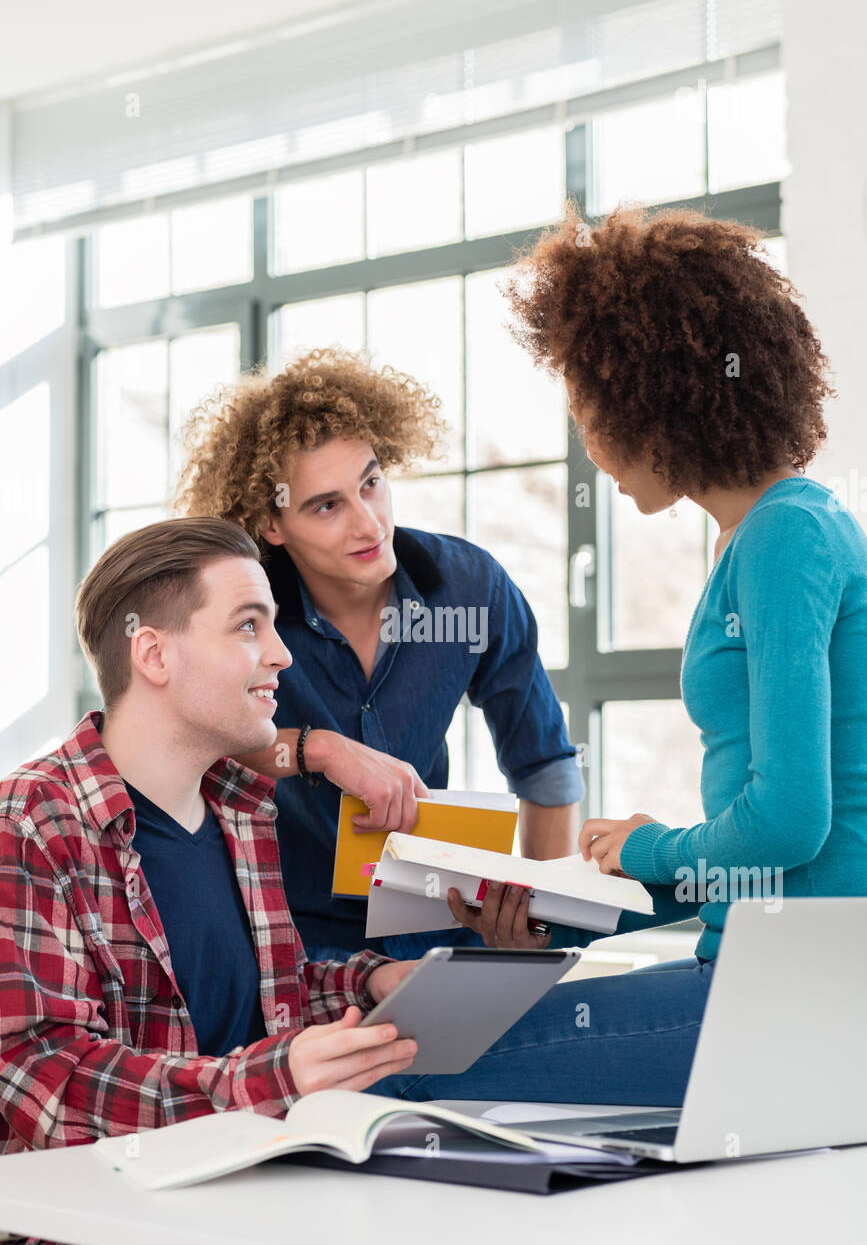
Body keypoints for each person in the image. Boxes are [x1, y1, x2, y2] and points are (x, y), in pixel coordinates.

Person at [361, 200, 867, 1107]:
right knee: (414, 1051)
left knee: (402, 1066)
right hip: (768, 967)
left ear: (656, 398)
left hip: (791, 992)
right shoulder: (768, 533)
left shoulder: (786, 535)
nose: (590, 449)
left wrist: (648, 846)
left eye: (588, 414)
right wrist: (589, 901)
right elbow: (767, 856)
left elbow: (793, 825)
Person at [0, 518, 422, 1245]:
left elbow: (263, 998)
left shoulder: (239, 809)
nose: (281, 654)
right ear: (154, 654)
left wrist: (368, 985)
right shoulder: (29, 822)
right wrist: (274, 1080)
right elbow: (45, 1080)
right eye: (247, 627)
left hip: (261, 1208)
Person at [173, 349, 584, 960]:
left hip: (433, 924)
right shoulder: (237, 613)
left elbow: (545, 767)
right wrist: (318, 749)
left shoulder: (473, 589)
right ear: (272, 522)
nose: (369, 525)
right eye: (328, 505)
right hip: (281, 938)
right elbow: (195, 744)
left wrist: (544, 933)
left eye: (371, 484)